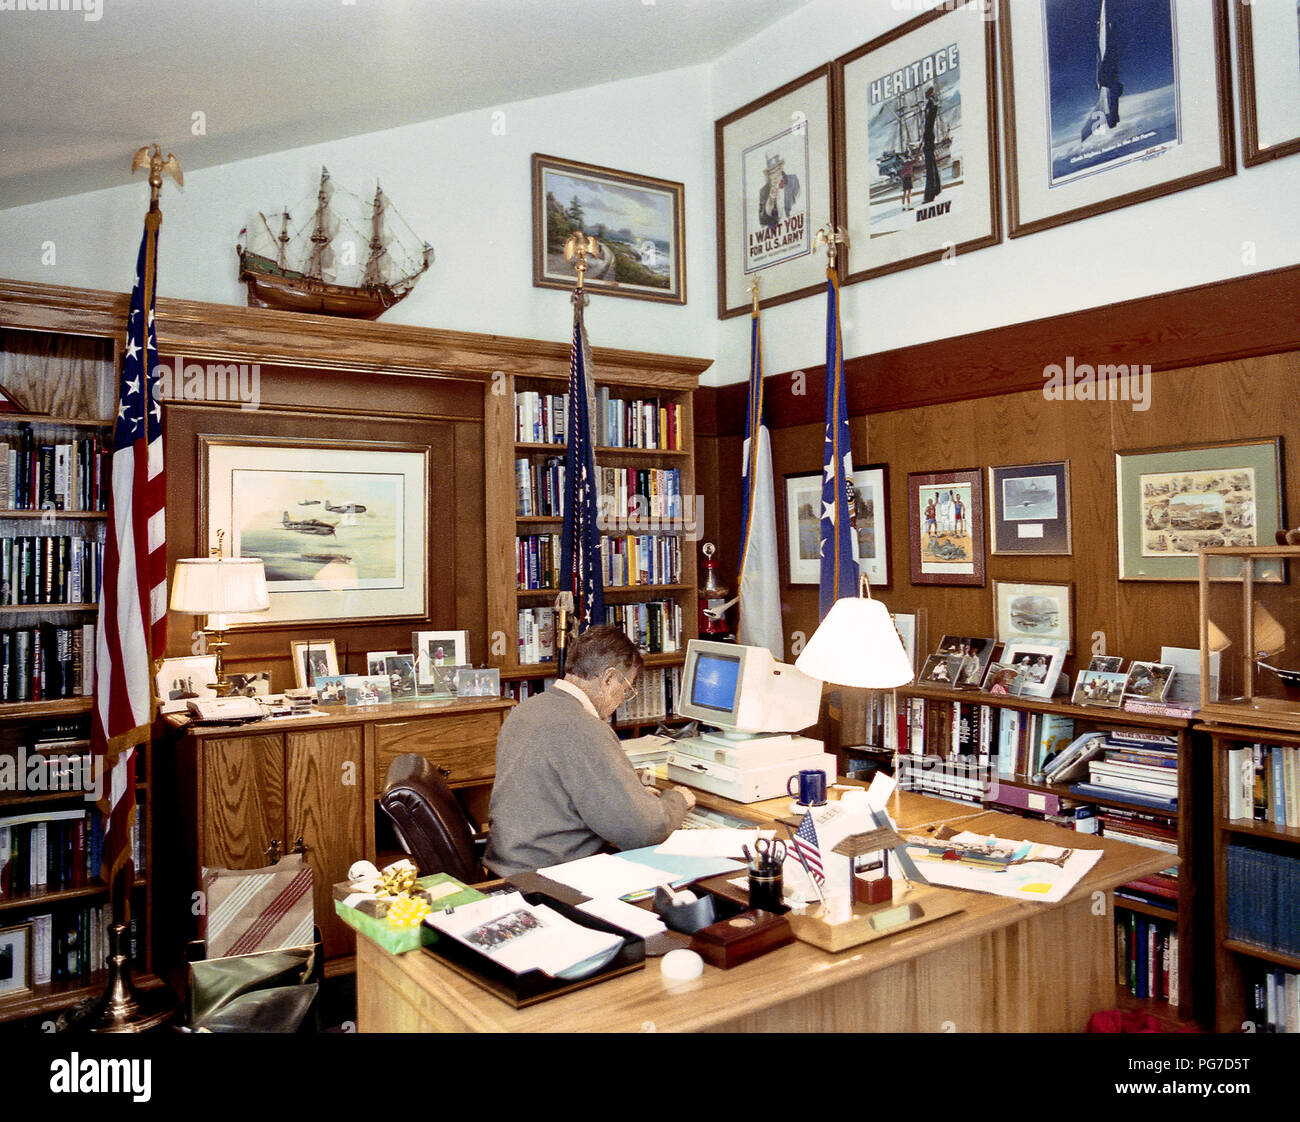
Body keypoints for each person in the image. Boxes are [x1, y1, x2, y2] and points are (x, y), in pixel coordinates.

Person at [484, 624, 695, 876]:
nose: (620, 701)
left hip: (508, 867)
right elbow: (645, 832)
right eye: (626, 689)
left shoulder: (524, 710)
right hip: (547, 878)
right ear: (608, 679)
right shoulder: (585, 728)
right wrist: (677, 800)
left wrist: (632, 798)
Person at [757, 152, 801, 231]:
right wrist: (771, 200)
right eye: (771, 173)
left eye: (776, 170)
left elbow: (800, 204)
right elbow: (762, 222)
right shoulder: (763, 191)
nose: (774, 175)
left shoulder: (793, 180)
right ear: (768, 175)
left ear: (781, 168)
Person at [922, 86, 943, 204]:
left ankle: (930, 194)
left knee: (930, 166)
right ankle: (935, 189)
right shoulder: (931, 103)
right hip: (928, 137)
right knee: (931, 165)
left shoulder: (932, 103)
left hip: (929, 138)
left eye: (926, 93)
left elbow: (930, 122)